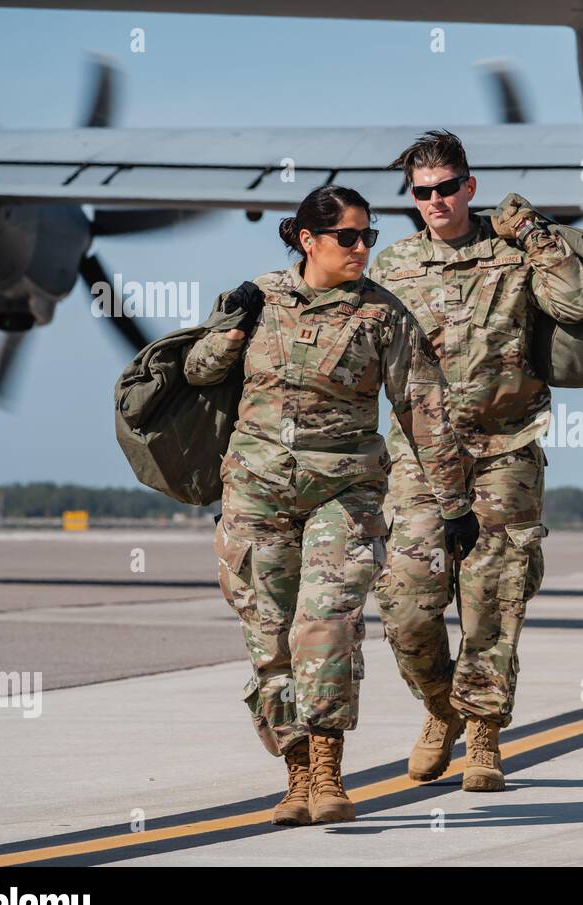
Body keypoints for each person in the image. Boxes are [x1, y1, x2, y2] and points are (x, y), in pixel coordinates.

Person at [183, 185, 476, 826]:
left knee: (326, 625)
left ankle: (326, 768)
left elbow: (423, 409)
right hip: (256, 492)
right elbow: (199, 371)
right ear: (307, 240)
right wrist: (232, 324)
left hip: (344, 491)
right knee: (269, 638)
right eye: (349, 236)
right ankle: (293, 775)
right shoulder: (258, 298)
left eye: (369, 235)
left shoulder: (383, 315)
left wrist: (454, 502)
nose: (363, 247)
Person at [369, 131, 583, 792]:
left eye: (448, 187)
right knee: (408, 603)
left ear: (470, 186)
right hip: (419, 457)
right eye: (423, 192)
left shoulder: (513, 251)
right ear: (412, 199)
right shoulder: (392, 268)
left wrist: (535, 233)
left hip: (506, 449)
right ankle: (441, 707)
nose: (437, 200)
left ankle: (484, 733)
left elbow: (579, 305)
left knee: (492, 597)